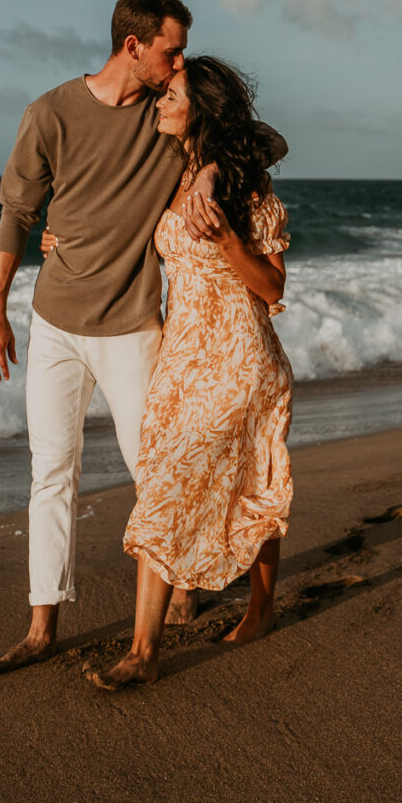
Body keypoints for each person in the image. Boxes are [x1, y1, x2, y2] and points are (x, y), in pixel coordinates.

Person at [0, 0, 286, 676]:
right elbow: (17, 216)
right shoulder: (51, 112)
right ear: (133, 46)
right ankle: (41, 626)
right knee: (50, 474)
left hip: (132, 329)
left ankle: (179, 590)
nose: (180, 63)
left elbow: (262, 140)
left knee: (159, 471)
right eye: (172, 50)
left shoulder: (167, 114)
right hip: (55, 321)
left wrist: (207, 171)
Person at [86, 55, 293, 691]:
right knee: (164, 482)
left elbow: (272, 288)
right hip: (182, 359)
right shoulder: (177, 174)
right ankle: (160, 640)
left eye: (171, 96)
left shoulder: (247, 191)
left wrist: (230, 238)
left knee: (218, 488)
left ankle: (172, 641)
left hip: (236, 359)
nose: (159, 104)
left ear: (198, 108)